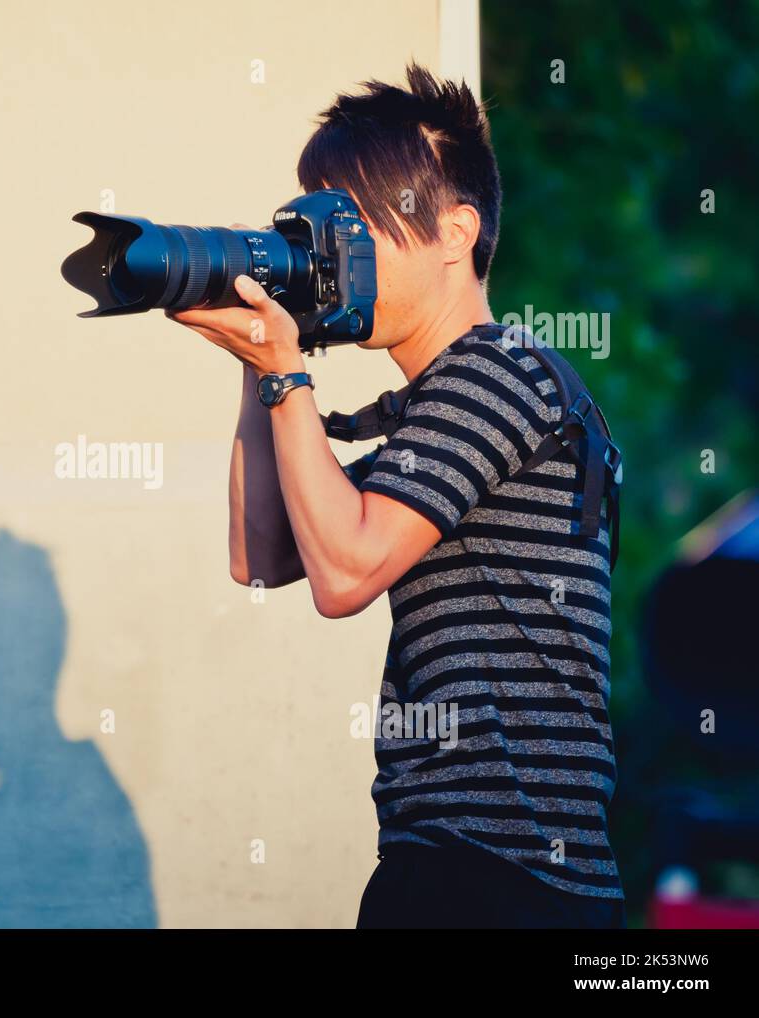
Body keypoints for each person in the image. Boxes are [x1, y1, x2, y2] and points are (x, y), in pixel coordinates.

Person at [165, 64, 624, 928]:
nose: (331, 251)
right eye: (316, 224)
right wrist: (257, 361)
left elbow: (346, 574)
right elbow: (264, 556)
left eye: (355, 220)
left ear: (456, 231)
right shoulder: (442, 414)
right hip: (464, 865)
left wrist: (283, 371)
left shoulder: (500, 372)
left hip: (498, 875)